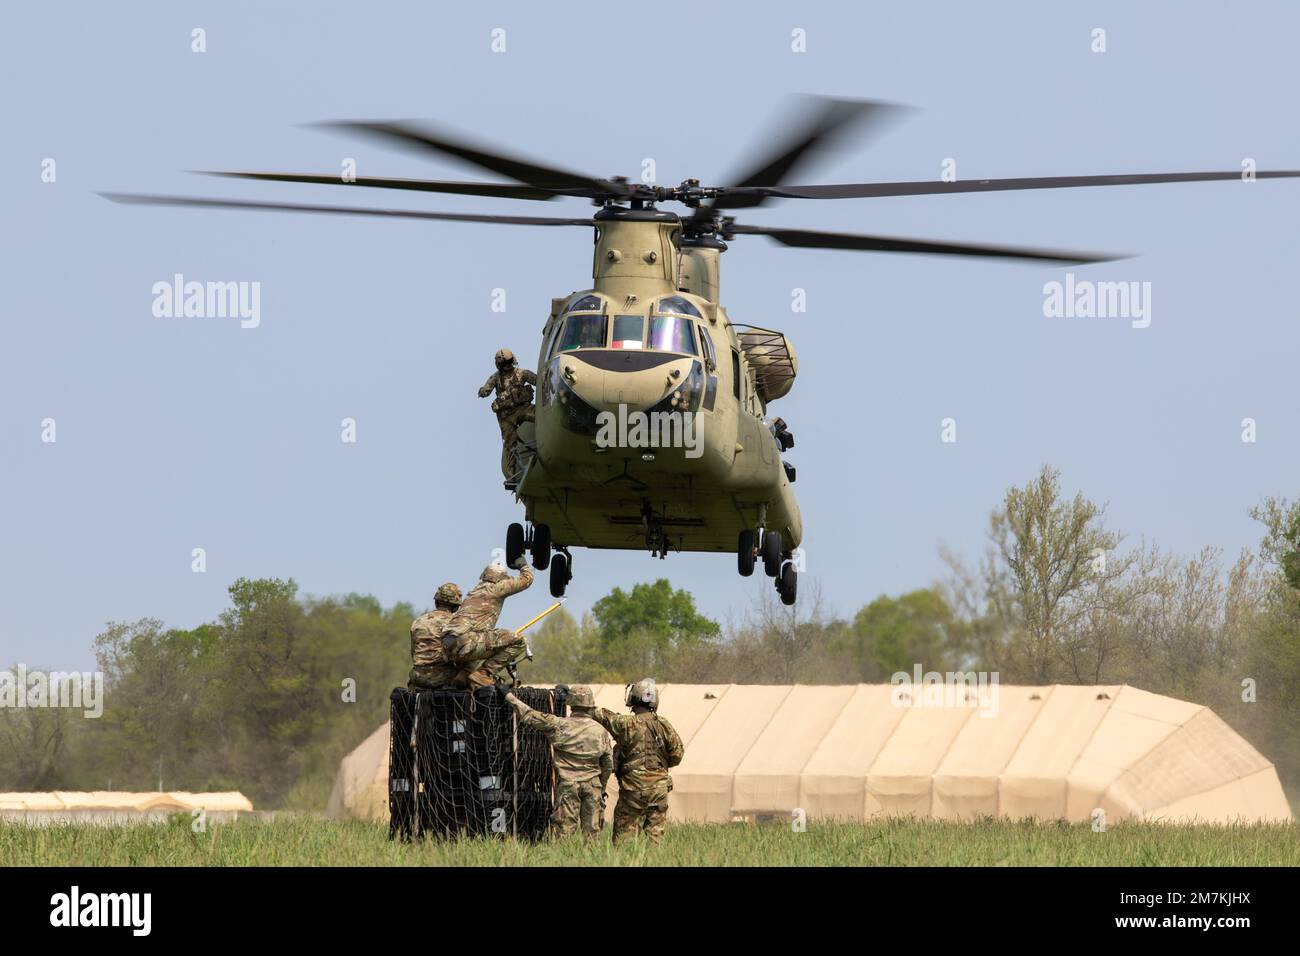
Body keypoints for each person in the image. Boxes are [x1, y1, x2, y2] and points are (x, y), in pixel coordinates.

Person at [498, 684, 613, 839]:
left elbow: (530, 715)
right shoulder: (601, 731)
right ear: (590, 704)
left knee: (563, 833)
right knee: (592, 834)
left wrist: (508, 696)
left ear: (570, 704)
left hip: (568, 785)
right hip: (593, 785)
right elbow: (607, 764)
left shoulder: (559, 725)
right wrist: (602, 786)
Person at [591, 678, 684, 846]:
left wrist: (580, 701)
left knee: (624, 841)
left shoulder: (625, 723)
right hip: (659, 791)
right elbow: (677, 755)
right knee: (655, 840)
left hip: (632, 791)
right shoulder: (664, 725)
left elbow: (601, 716)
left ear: (633, 698)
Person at [442, 559, 534, 688]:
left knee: (484, 643)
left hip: (447, 646)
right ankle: (483, 674)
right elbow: (526, 580)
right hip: (465, 642)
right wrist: (523, 565)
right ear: (502, 579)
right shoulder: (497, 588)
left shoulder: (474, 591)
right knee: (518, 641)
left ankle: (462, 676)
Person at [478, 348, 536, 478]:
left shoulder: (521, 373)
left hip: (523, 408)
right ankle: (512, 474)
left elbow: (536, 379)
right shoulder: (496, 378)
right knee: (510, 443)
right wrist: (483, 391)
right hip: (507, 416)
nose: (507, 366)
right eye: (505, 363)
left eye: (508, 362)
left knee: (541, 416)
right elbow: (486, 389)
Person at [407, 582, 462, 691]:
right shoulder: (456, 623)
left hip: (418, 677)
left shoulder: (418, 622)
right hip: (444, 677)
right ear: (456, 606)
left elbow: (414, 652)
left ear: (436, 602)